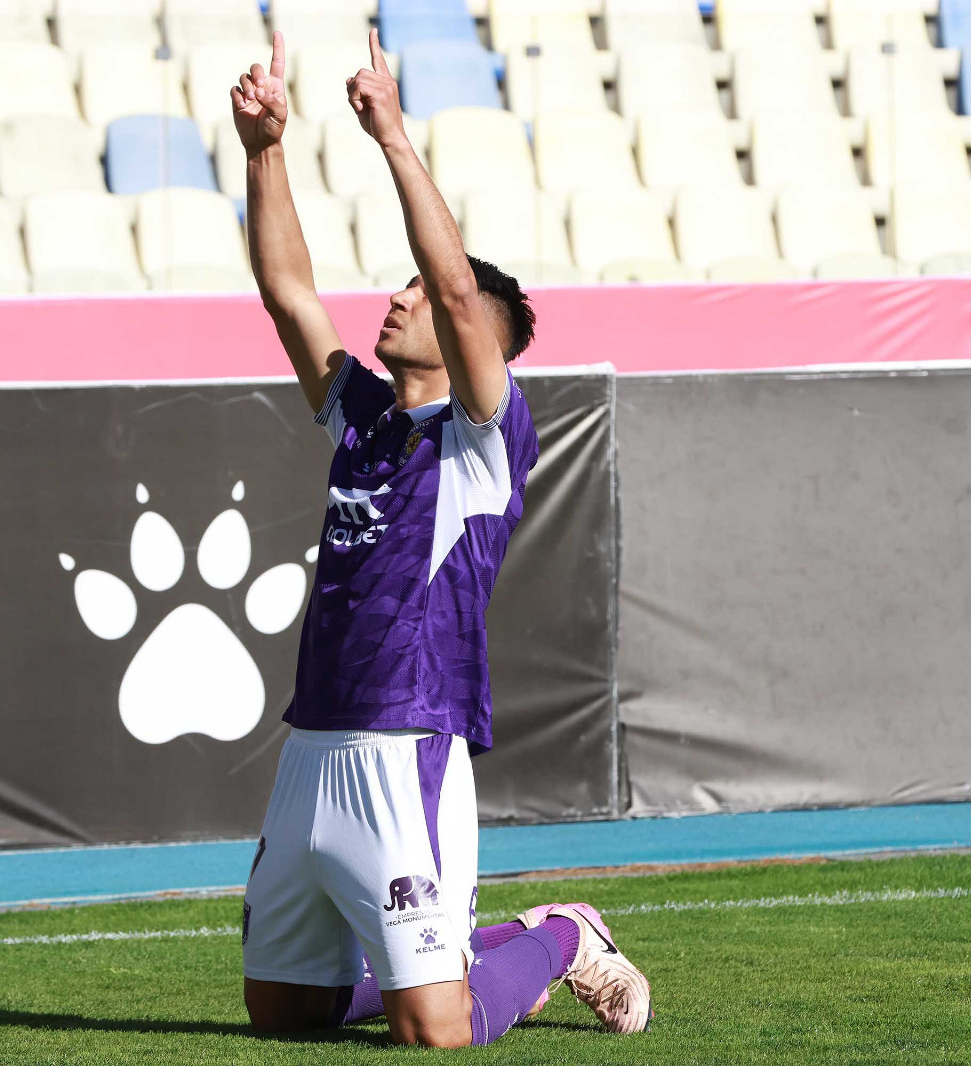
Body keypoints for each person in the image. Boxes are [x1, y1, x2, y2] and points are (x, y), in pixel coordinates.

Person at [231, 29, 652, 1049]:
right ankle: (451, 955)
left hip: (405, 744)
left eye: (416, 295)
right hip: (314, 740)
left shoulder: (483, 442)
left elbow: (461, 290)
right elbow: (289, 295)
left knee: (437, 1032)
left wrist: (393, 139)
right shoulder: (365, 416)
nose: (401, 295)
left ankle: (558, 934)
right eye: (402, 287)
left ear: (482, 343)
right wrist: (264, 150)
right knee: (287, 1015)